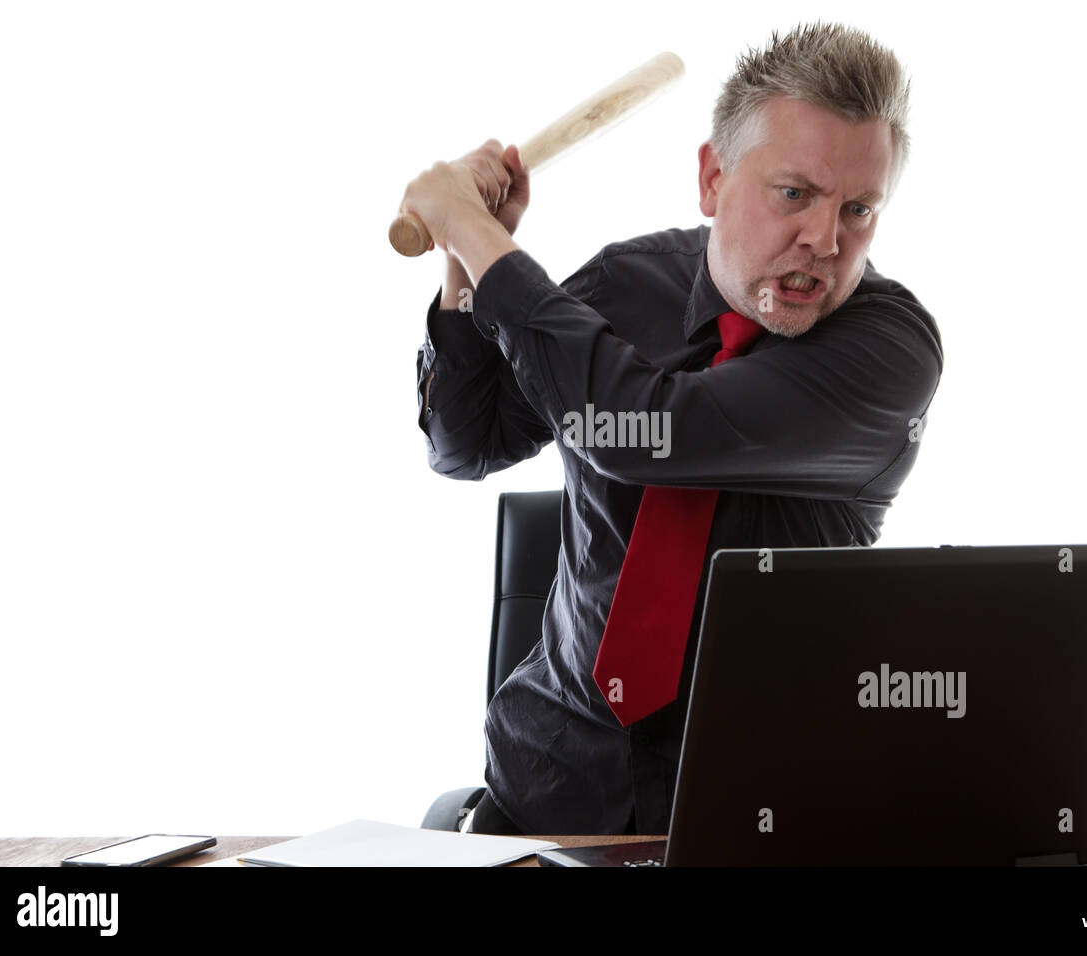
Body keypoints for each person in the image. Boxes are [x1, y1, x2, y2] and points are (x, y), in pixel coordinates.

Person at [403, 21, 943, 835]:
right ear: (713, 178)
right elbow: (466, 442)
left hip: (761, 820)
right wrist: (467, 258)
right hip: (549, 784)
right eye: (794, 193)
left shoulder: (888, 352)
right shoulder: (627, 283)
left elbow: (641, 430)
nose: (826, 241)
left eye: (859, 209)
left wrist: (480, 238)